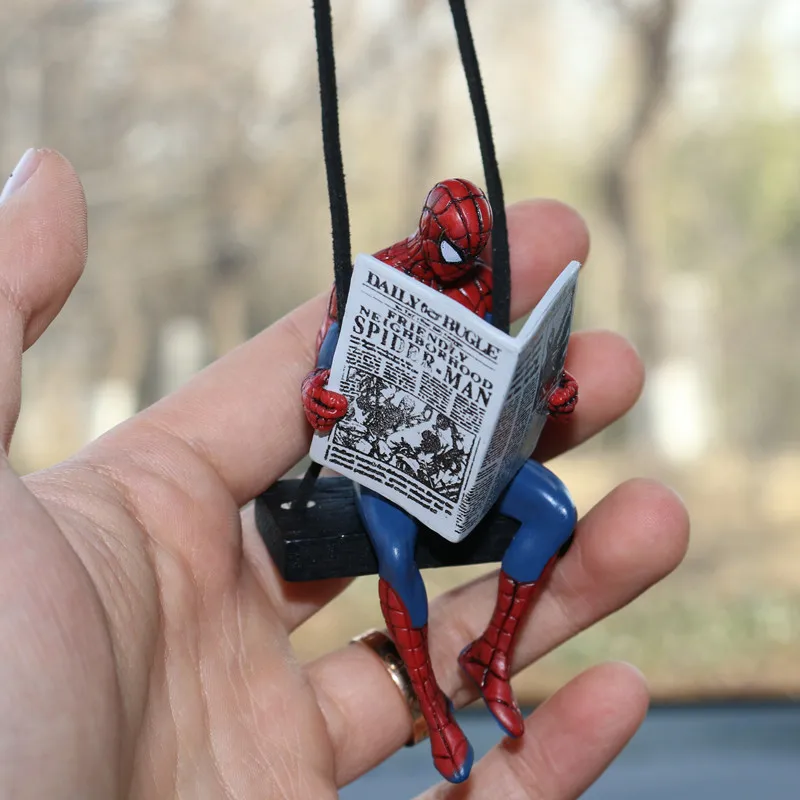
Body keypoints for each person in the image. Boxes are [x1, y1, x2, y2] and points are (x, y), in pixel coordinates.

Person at [0, 149, 689, 798]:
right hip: (388, 459)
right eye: (450, 251)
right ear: (426, 233)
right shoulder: (378, 278)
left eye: (470, 253)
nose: (459, 266)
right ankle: (431, 701)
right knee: (395, 553)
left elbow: (500, 364)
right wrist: (318, 397)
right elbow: (327, 362)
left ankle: (492, 652)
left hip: (464, 453)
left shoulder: (484, 283)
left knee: (554, 512)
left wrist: (546, 389)